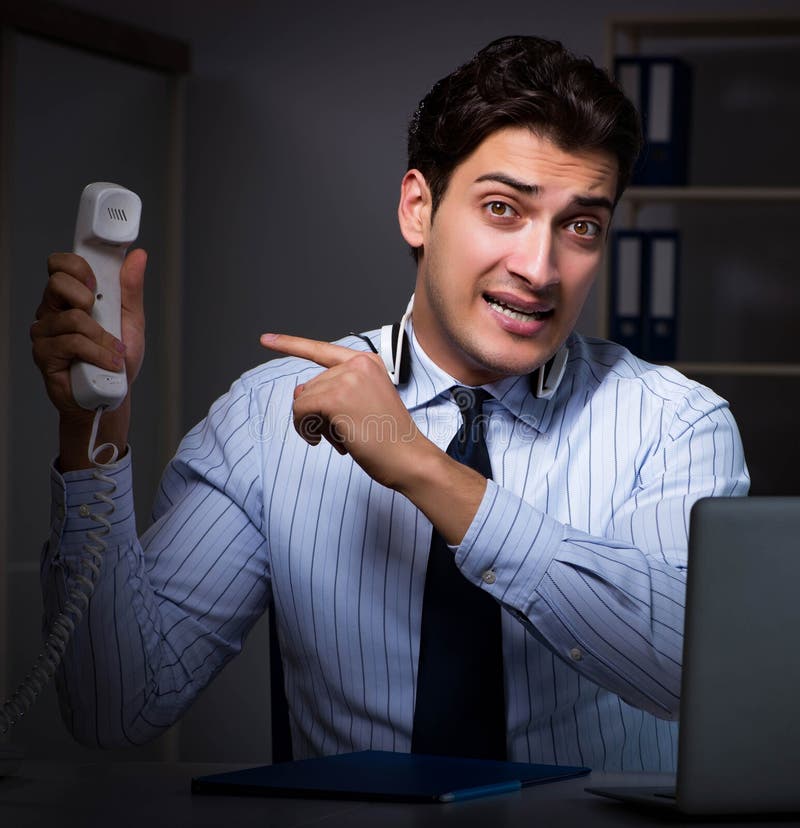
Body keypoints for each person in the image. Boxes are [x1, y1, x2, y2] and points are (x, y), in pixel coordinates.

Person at [31, 36, 748, 771]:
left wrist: (417, 464)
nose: (540, 269)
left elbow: (682, 672)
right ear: (418, 208)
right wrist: (96, 425)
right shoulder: (268, 414)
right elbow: (115, 708)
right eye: (503, 208)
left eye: (581, 226)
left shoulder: (675, 423)